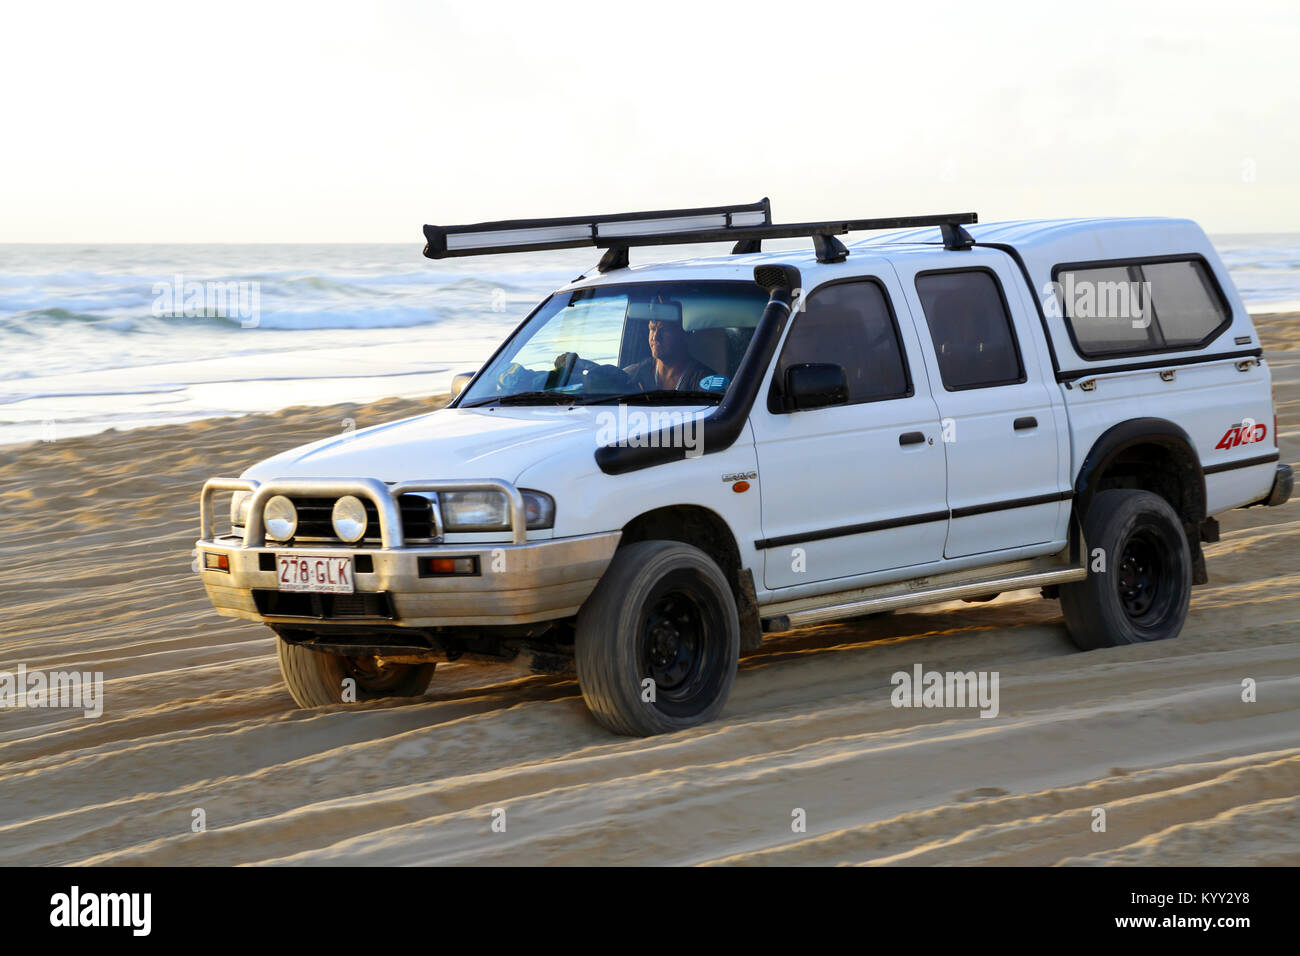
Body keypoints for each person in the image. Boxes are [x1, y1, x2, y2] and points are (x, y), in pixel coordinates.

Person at [622, 315, 719, 392]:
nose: (655, 337)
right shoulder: (633, 375)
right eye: (652, 329)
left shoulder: (706, 381)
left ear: (685, 335)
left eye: (664, 330)